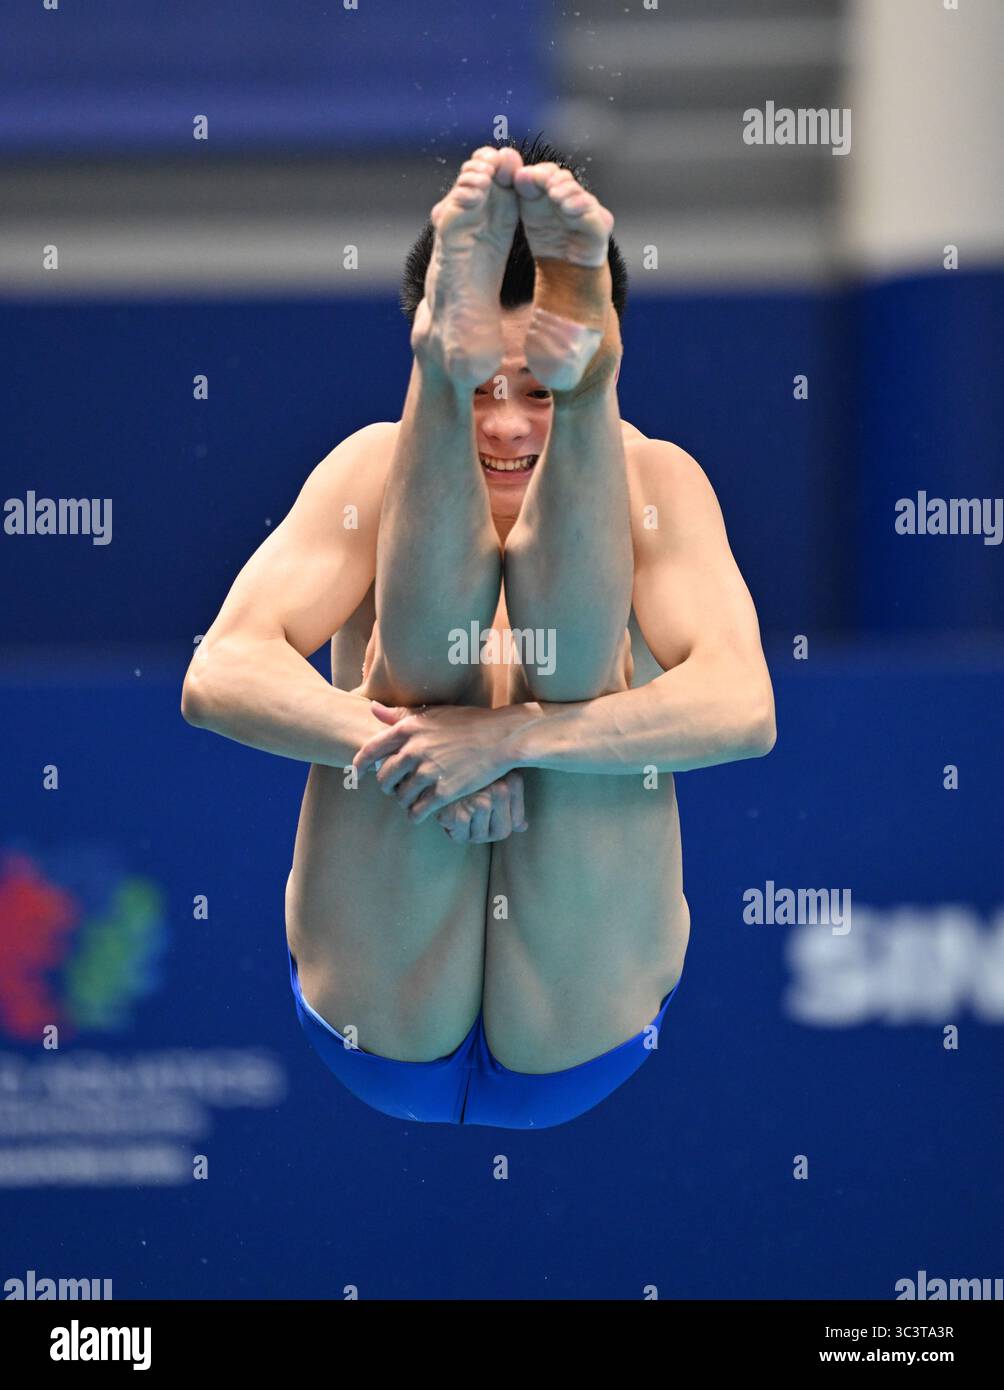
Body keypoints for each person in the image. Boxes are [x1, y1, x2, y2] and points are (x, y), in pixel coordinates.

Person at [181, 137, 776, 1129]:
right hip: (380, 980)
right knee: (423, 673)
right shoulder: (368, 472)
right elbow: (220, 673)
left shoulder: (653, 484)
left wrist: (509, 741)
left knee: (573, 670)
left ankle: (577, 393)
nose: (503, 426)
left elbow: (740, 706)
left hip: (578, 1003)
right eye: (475, 386)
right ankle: (468, 381)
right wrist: (416, 750)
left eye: (540, 391)